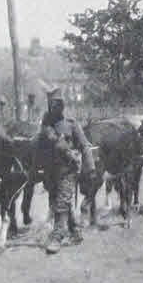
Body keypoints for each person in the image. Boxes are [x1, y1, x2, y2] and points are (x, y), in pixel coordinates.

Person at [37, 87, 95, 254]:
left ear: (63, 105)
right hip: (51, 170)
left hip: (68, 169)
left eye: (58, 104)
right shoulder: (46, 123)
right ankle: (76, 232)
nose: (55, 107)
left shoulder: (71, 123)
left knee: (61, 202)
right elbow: (46, 142)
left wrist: (90, 167)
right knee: (59, 200)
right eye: (52, 104)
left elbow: (84, 145)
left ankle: (57, 237)